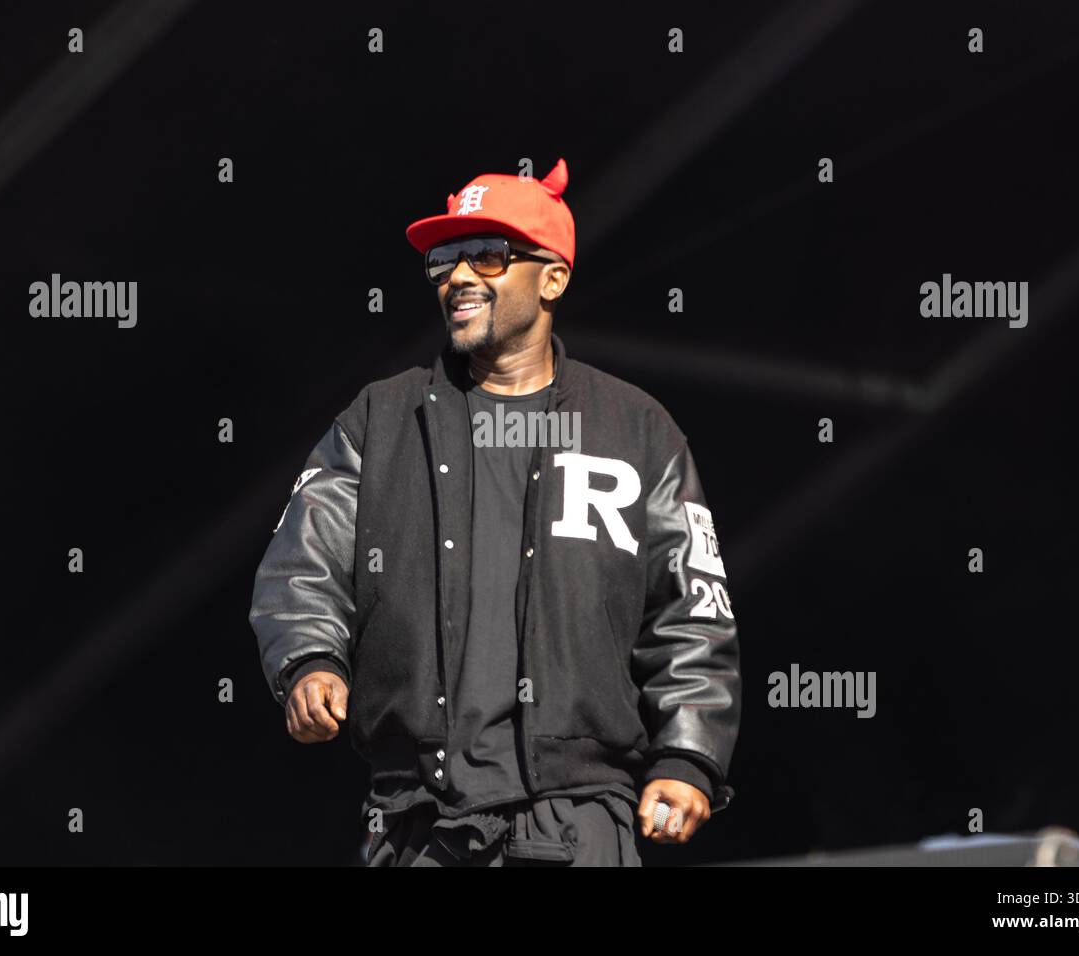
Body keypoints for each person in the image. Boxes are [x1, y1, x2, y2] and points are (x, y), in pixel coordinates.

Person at [249, 158, 741, 866]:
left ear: (553, 278)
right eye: (443, 260)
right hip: (419, 823)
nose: (458, 277)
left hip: (583, 821)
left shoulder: (634, 428)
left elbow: (692, 610)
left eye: (487, 255)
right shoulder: (382, 419)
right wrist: (309, 662)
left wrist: (688, 757)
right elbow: (304, 563)